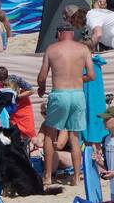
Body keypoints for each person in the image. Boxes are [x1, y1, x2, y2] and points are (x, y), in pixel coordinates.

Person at [36, 23, 94, 186]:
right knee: (74, 136)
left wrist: (41, 88)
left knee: (50, 134)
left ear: (60, 33)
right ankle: (76, 177)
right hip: (77, 94)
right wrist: (76, 79)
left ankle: (47, 176)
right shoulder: (83, 49)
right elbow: (91, 75)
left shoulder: (52, 49)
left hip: (60, 94)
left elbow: (42, 76)